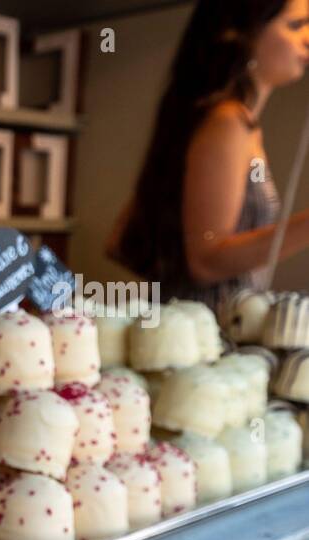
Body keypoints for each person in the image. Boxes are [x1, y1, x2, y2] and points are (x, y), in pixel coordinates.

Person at [110, 0, 309, 310]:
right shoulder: (227, 122)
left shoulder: (238, 123)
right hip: (202, 328)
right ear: (245, 33)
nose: (307, 38)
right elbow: (206, 261)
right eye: (295, 25)